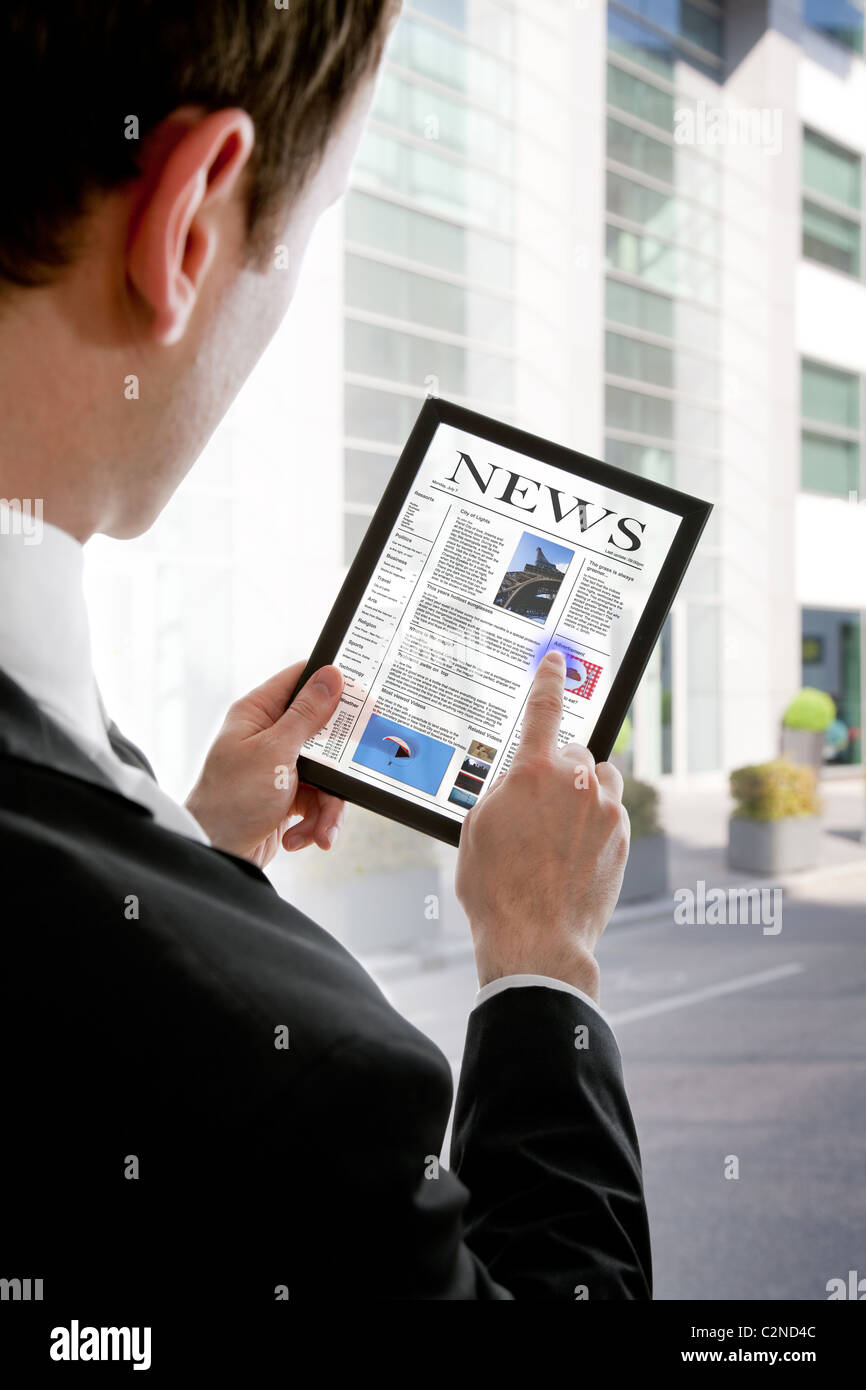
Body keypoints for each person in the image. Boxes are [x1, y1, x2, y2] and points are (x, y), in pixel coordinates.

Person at [0, 1, 650, 1306]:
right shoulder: (288, 1085)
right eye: (322, 219)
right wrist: (541, 962)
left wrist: (196, 858)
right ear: (189, 219)